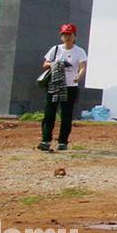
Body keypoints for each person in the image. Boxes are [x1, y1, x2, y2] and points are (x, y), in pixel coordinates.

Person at [39, 23, 88, 152]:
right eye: (64, 34)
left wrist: (79, 76)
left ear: (74, 36)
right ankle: (45, 140)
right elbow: (45, 63)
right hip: (54, 84)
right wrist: (55, 64)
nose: (67, 37)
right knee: (49, 113)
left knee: (66, 114)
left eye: (69, 35)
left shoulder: (79, 51)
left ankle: (62, 141)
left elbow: (83, 66)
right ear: (61, 36)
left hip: (70, 86)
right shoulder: (55, 49)